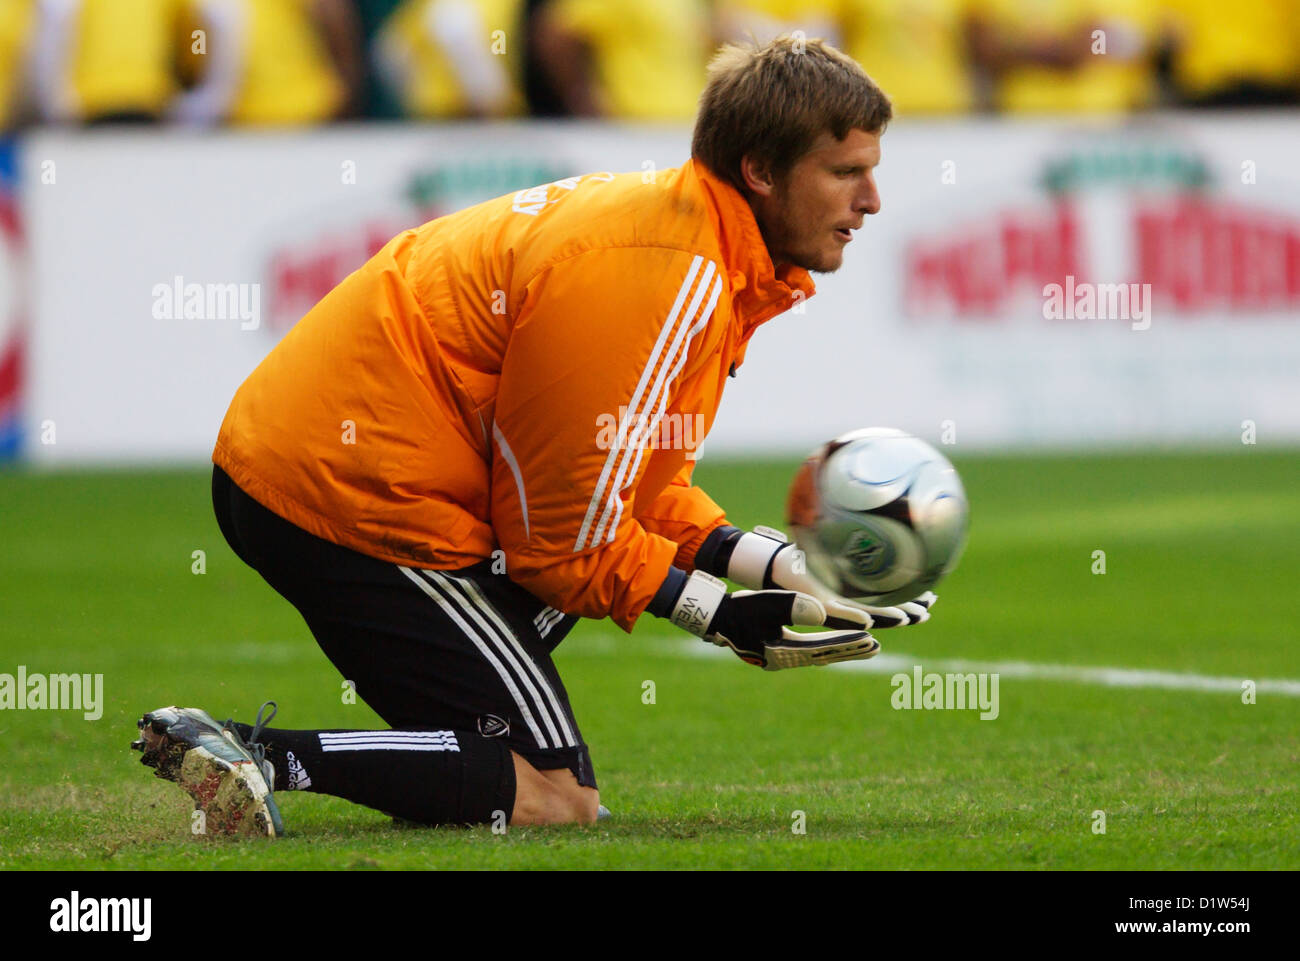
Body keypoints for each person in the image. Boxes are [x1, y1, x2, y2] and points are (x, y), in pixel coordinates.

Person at [132, 35, 936, 838]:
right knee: (554, 795)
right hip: (348, 490)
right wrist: (718, 614)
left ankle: (443, 760)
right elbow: (556, 537)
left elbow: (632, 486)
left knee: (513, 767)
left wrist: (776, 566)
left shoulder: (697, 249)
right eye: (845, 173)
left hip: (327, 466)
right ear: (760, 170)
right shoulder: (667, 270)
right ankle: (258, 755)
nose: (871, 200)